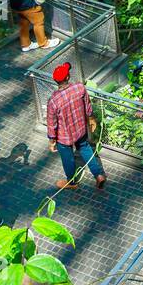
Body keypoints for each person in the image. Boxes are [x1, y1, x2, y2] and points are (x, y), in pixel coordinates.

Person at [46, 61, 106, 190]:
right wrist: (91, 119)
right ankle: (98, 175)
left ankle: (72, 183)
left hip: (64, 137)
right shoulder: (79, 88)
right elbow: (88, 107)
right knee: (86, 149)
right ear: (67, 77)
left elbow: (52, 124)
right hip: (80, 130)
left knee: (68, 159)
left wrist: (52, 141)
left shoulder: (53, 101)